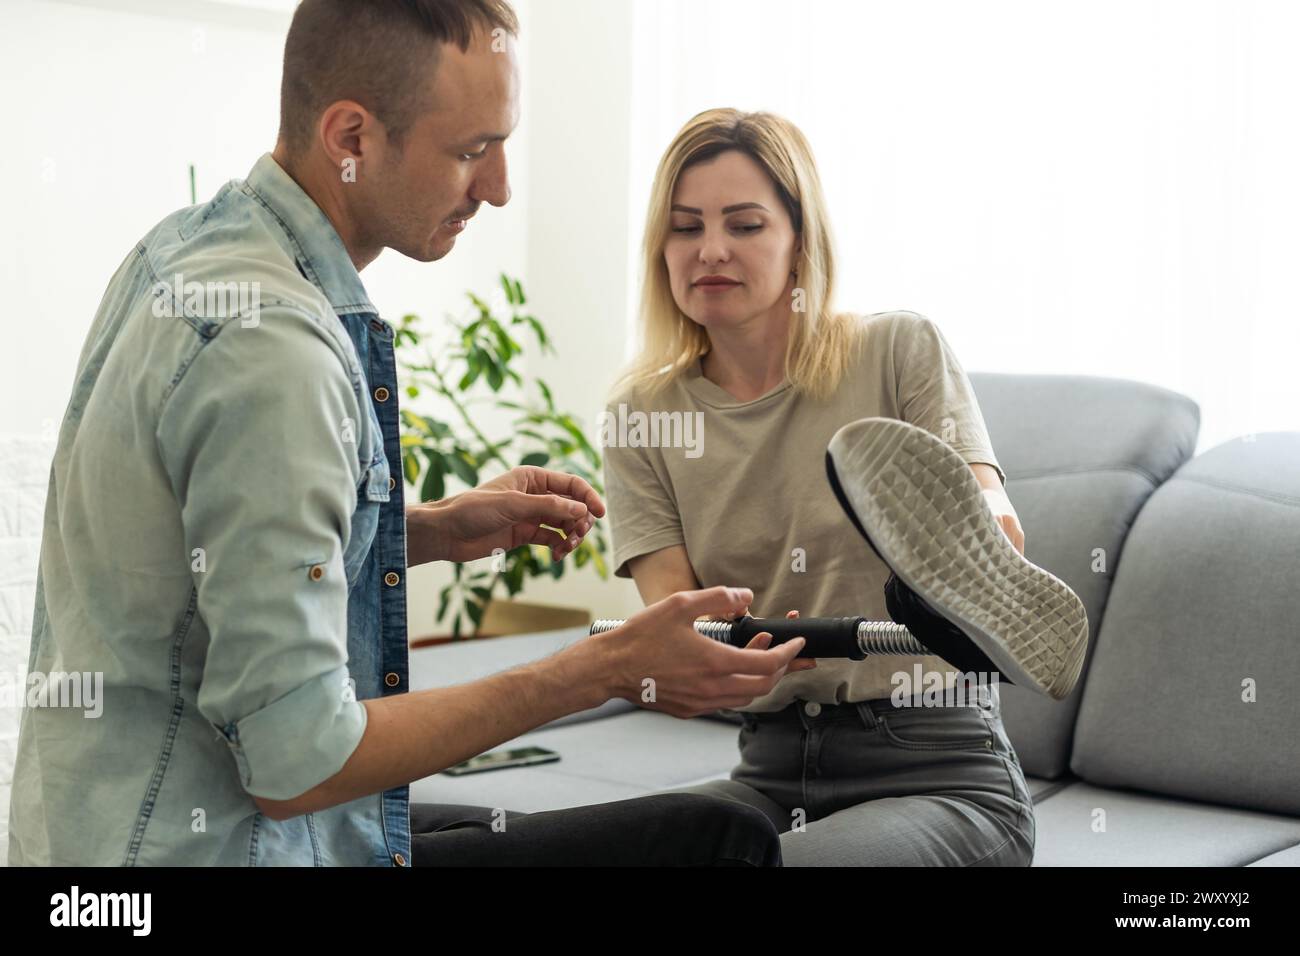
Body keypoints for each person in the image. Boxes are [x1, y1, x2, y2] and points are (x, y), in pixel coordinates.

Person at [7, 1, 812, 868]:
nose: (499, 186)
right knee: (719, 843)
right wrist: (600, 669)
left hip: (86, 856)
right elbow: (299, 765)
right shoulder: (276, 352)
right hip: (227, 850)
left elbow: (197, 557)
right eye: (471, 151)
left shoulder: (185, 250)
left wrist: (417, 531)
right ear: (351, 136)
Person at [602, 108, 1037, 866]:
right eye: (684, 227)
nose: (709, 250)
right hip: (770, 771)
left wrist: (988, 538)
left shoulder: (897, 350)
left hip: (939, 768)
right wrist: (730, 657)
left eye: (744, 225)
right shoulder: (641, 415)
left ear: (800, 241)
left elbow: (990, 524)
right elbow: (684, 632)